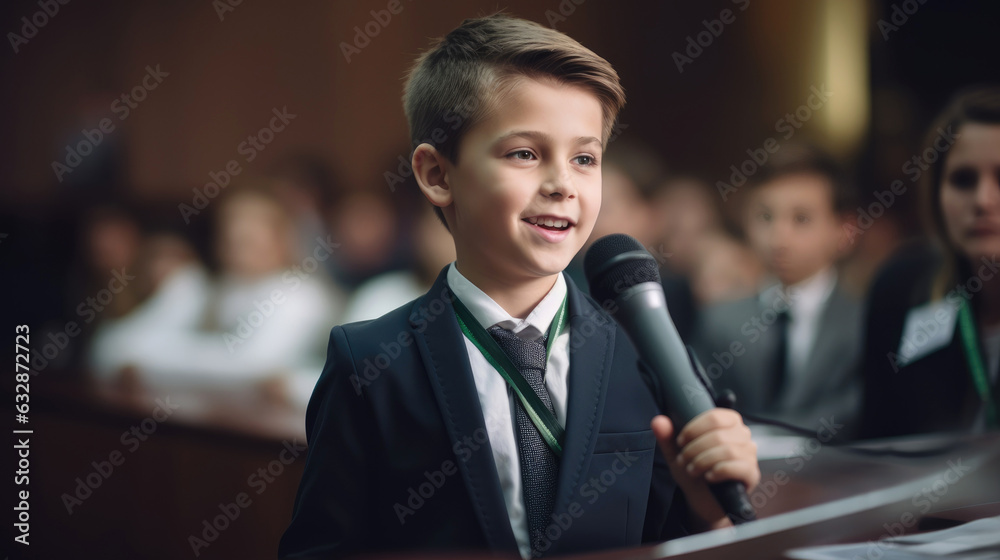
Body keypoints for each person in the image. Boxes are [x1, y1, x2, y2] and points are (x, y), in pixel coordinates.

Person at [279, 14, 759, 560]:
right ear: (437, 174)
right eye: (525, 153)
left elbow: (671, 534)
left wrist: (708, 512)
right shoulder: (369, 363)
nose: (562, 184)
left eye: (585, 158)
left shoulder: (646, 354)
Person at [692, 144, 862, 435]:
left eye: (801, 219)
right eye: (765, 217)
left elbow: (858, 409)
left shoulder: (863, 322)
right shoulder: (719, 320)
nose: (779, 237)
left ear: (845, 231)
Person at [859, 87, 1000, 439]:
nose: (983, 200)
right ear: (936, 194)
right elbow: (876, 439)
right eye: (963, 180)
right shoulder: (902, 289)